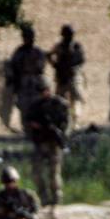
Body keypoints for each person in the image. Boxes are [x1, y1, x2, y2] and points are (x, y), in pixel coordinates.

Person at [24, 75, 69, 209]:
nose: (43, 92)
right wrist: (35, 128)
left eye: (45, 89)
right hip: (40, 142)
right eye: (40, 90)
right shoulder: (35, 106)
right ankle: (43, 198)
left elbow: (66, 124)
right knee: (37, 172)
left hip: (54, 143)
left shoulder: (60, 104)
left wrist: (59, 134)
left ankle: (56, 200)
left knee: (54, 173)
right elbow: (28, 122)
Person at [5, 25, 47, 131]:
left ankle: (36, 129)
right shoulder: (19, 52)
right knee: (23, 107)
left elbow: (41, 68)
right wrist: (11, 79)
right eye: (27, 37)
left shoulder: (37, 52)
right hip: (22, 83)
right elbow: (13, 66)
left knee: (37, 106)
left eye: (31, 36)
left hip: (36, 84)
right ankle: (26, 129)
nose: (29, 39)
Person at [47, 24, 86, 126]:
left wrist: (74, 67)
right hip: (61, 77)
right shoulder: (59, 46)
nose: (68, 36)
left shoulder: (76, 46)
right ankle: (61, 121)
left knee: (76, 100)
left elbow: (81, 60)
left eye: (70, 34)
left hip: (73, 77)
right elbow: (49, 55)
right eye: (67, 34)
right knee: (59, 101)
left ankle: (75, 122)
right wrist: (55, 65)